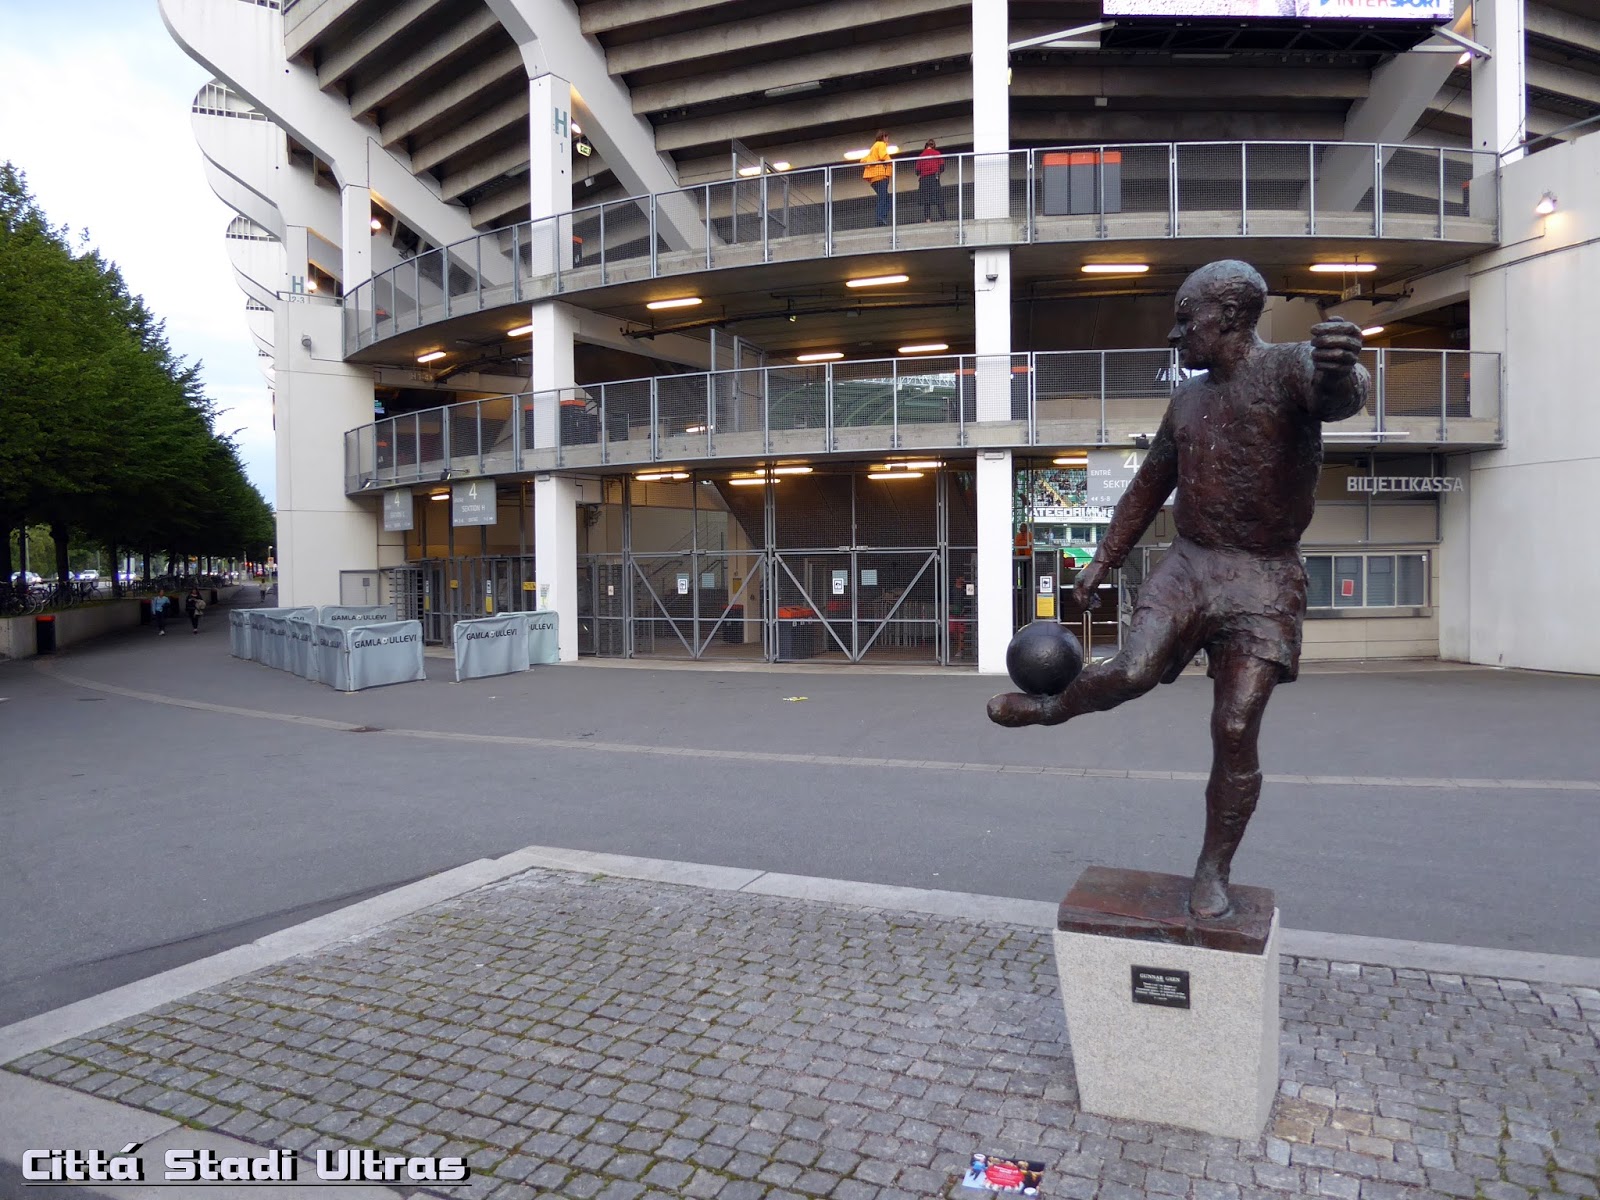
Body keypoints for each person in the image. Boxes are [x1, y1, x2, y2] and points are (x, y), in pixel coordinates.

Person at [988, 260, 1368, 919]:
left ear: (1229, 318)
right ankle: (1053, 709)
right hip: (1191, 564)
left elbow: (1336, 391)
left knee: (1235, 724)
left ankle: (1213, 869)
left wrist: (1341, 367)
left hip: (1263, 576)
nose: (1175, 333)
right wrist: (1104, 557)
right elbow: (1149, 484)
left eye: (1185, 318)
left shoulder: (1287, 370)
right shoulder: (1187, 400)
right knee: (1132, 669)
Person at [862, 131, 893, 226]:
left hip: (873, 178)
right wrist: (891, 162)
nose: (888, 140)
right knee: (883, 198)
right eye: (887, 138)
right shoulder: (881, 144)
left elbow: (864, 159)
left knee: (886, 198)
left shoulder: (873, 148)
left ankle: (882, 217)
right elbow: (883, 155)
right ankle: (880, 218)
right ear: (884, 137)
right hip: (880, 175)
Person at [915, 138, 947, 221]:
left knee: (926, 200)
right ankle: (943, 217)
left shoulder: (921, 156)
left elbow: (917, 171)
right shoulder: (937, 153)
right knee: (939, 198)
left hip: (924, 180)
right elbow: (942, 167)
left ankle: (928, 219)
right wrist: (938, 172)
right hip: (934, 178)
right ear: (934, 146)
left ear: (926, 146)